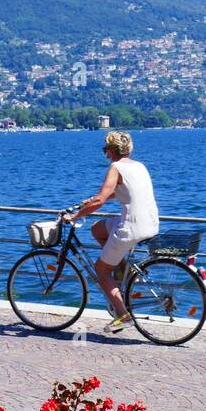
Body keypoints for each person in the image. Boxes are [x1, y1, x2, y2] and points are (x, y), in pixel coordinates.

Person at [63, 131, 160, 334]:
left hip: (131, 227)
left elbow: (101, 200)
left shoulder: (115, 167)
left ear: (111, 150)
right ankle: (125, 269)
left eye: (104, 148)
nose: (104, 152)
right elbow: (119, 192)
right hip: (149, 223)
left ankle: (123, 315)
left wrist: (75, 216)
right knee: (97, 229)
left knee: (101, 270)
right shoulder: (138, 166)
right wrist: (94, 199)